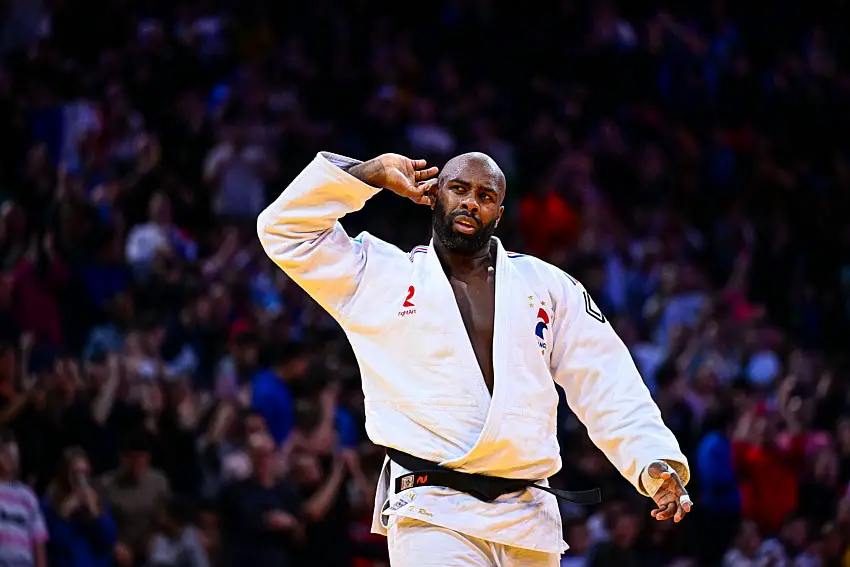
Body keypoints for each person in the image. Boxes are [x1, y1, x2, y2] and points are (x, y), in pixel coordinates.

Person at [257, 151, 692, 566]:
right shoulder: (381, 276)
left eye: (485, 197)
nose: (470, 202)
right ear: (432, 193)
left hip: (529, 516)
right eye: (458, 189)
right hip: (432, 511)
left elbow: (605, 378)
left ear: (499, 214)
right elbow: (284, 230)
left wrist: (651, 459)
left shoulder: (546, 286)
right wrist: (369, 173)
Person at [41, 446, 117, 567]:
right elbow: (53, 544)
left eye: (84, 473)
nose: (81, 480)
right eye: (76, 474)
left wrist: (96, 514)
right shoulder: (49, 505)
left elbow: (108, 542)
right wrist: (64, 514)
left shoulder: (99, 501)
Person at [0, 427, 48, 567]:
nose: (10, 457)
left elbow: (38, 540)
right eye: (4, 452)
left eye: (13, 453)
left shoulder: (27, 496)